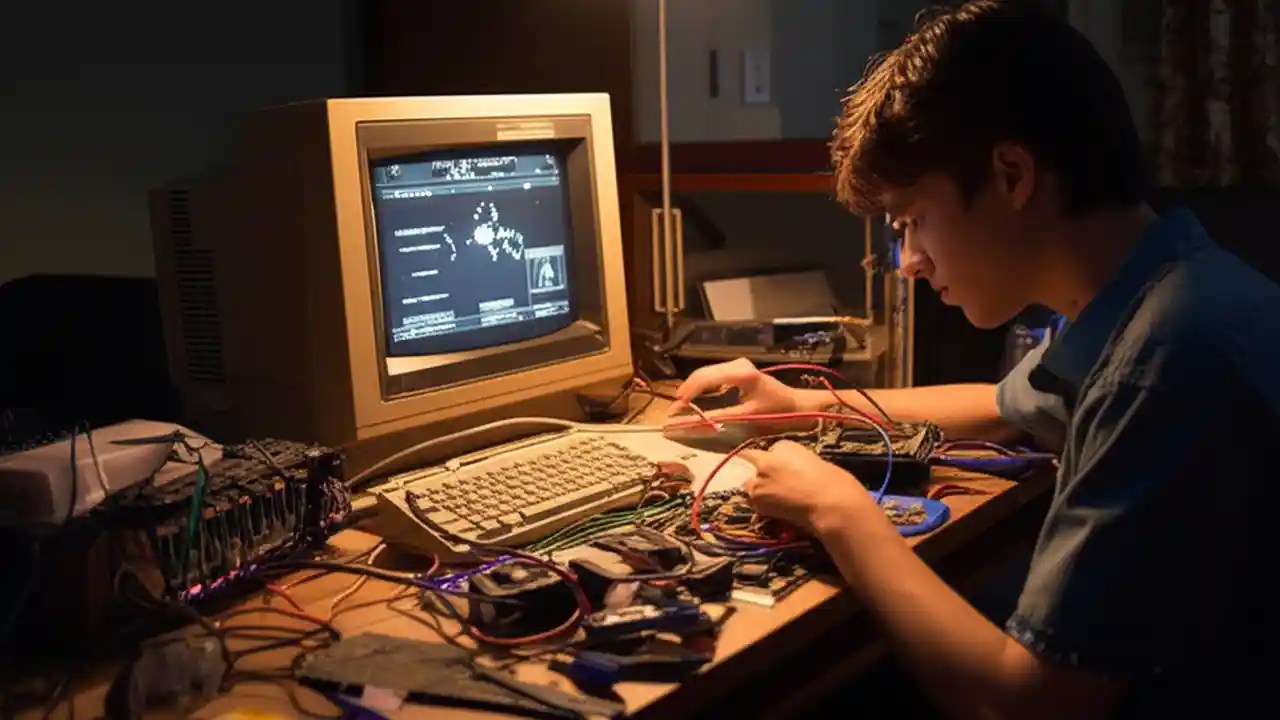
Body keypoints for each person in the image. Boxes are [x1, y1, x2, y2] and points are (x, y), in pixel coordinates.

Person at [667, 1, 1280, 717]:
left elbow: (1022, 705)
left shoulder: (1160, 366)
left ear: (1011, 174)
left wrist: (838, 510)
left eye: (912, 220)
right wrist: (802, 405)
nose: (908, 262)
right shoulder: (1168, 285)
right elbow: (999, 407)